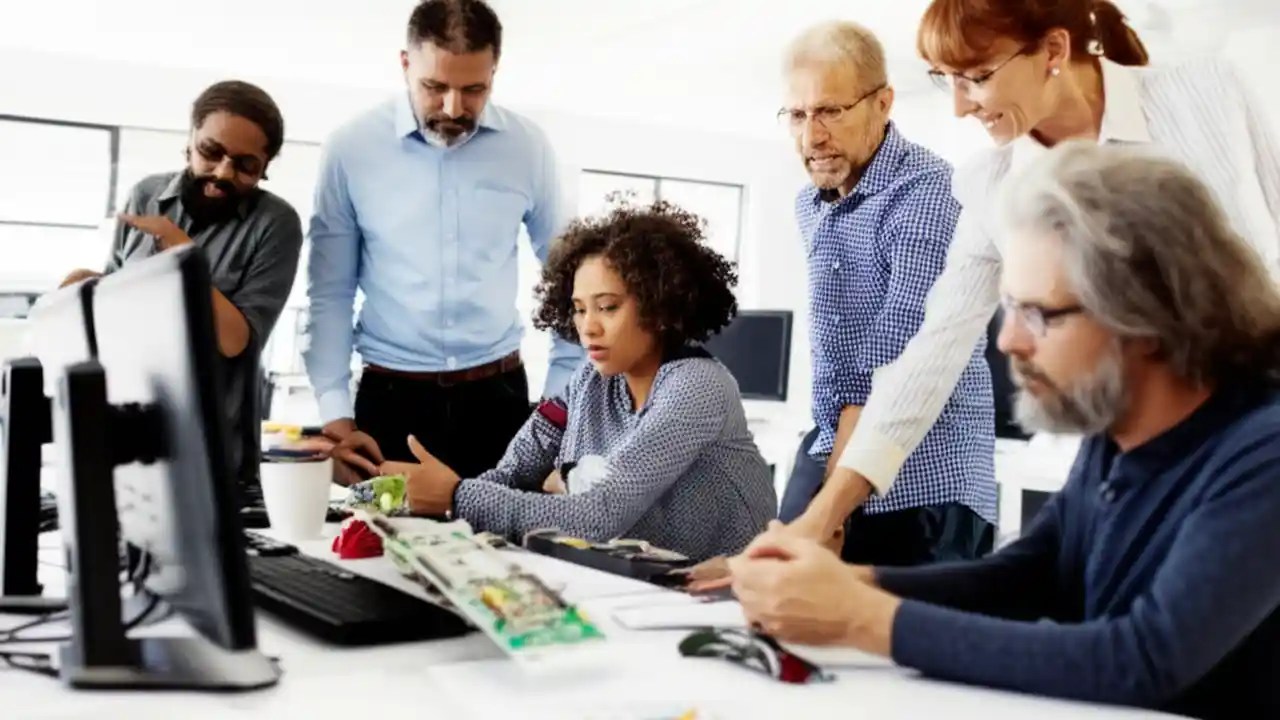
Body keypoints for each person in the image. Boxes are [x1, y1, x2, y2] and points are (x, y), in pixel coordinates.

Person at [730, 143, 1280, 719]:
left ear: (1146, 316)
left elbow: (1143, 660)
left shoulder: (1262, 452)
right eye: (1008, 309)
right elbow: (1035, 576)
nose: (1008, 341)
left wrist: (861, 618)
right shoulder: (1116, 431)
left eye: (1038, 314)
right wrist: (848, 584)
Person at [773, 0, 1280, 552]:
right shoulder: (992, 185)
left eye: (979, 78)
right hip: (1147, 460)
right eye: (946, 82)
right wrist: (823, 515)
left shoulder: (1208, 94)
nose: (961, 108)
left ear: (1055, 51)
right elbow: (928, 355)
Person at [374, 201, 777, 562]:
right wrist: (439, 505)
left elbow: (596, 515)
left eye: (608, 307)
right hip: (633, 583)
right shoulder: (589, 380)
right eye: (580, 309)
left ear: (662, 305)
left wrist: (458, 496)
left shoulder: (697, 386)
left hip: (723, 597)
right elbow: (513, 472)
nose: (588, 328)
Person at [305, 0, 580, 484]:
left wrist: (560, 404)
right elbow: (330, 291)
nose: (454, 108)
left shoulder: (528, 147)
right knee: (381, 552)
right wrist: (335, 415)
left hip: (498, 399)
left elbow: (573, 280)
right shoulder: (350, 147)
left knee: (504, 554)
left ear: (495, 70)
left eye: (474, 89)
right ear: (405, 64)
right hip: (389, 401)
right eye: (435, 87)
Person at [771, 20, 996, 564]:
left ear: (883, 103)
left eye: (830, 111)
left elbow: (892, 353)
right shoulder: (811, 204)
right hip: (833, 437)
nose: (811, 137)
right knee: (779, 600)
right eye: (797, 115)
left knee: (903, 642)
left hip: (930, 477)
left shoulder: (928, 193)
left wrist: (832, 506)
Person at [60, 80, 303, 495]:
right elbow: (121, 309)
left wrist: (185, 258)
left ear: (265, 167)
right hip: (123, 430)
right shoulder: (146, 195)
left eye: (245, 165)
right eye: (211, 152)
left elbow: (236, 342)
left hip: (209, 450)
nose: (223, 173)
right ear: (189, 141)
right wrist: (92, 290)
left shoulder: (276, 223)